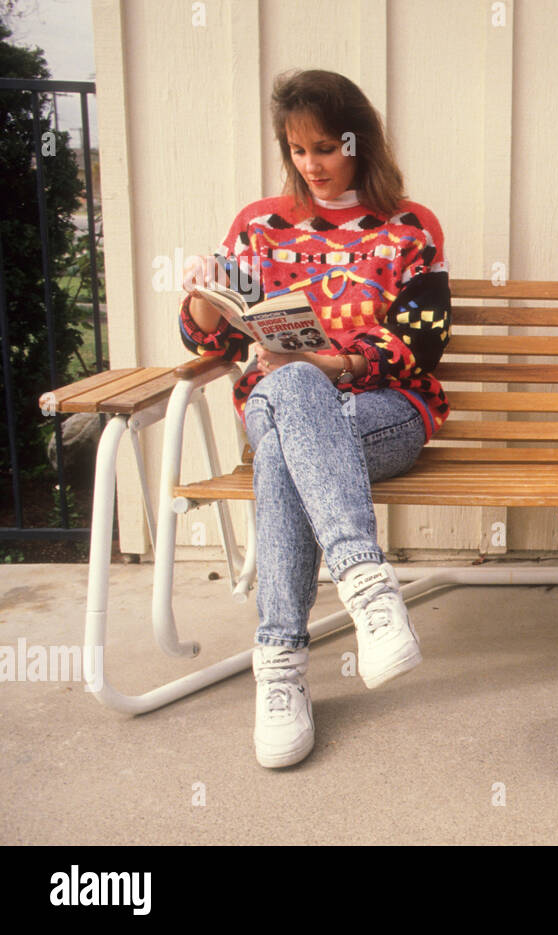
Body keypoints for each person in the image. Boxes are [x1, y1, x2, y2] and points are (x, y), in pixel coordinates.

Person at [179, 70, 452, 767]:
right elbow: (214, 343)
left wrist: (336, 367)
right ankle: (367, 588)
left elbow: (420, 344)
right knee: (289, 403)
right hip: (282, 405)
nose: (312, 165)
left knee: (285, 436)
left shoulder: (411, 228)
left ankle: (280, 665)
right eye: (297, 150)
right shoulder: (257, 226)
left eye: (326, 147)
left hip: (385, 410)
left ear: (360, 140)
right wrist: (206, 300)